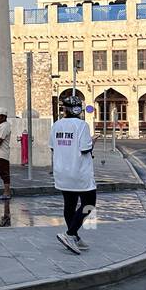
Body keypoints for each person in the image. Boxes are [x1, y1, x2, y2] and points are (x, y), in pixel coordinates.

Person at [50, 94, 95, 254]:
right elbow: (85, 148)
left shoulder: (56, 125)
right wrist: (92, 142)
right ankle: (69, 234)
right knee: (89, 204)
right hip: (79, 172)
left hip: (62, 171)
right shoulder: (82, 125)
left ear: (65, 110)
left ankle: (74, 236)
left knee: (69, 204)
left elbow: (53, 147)